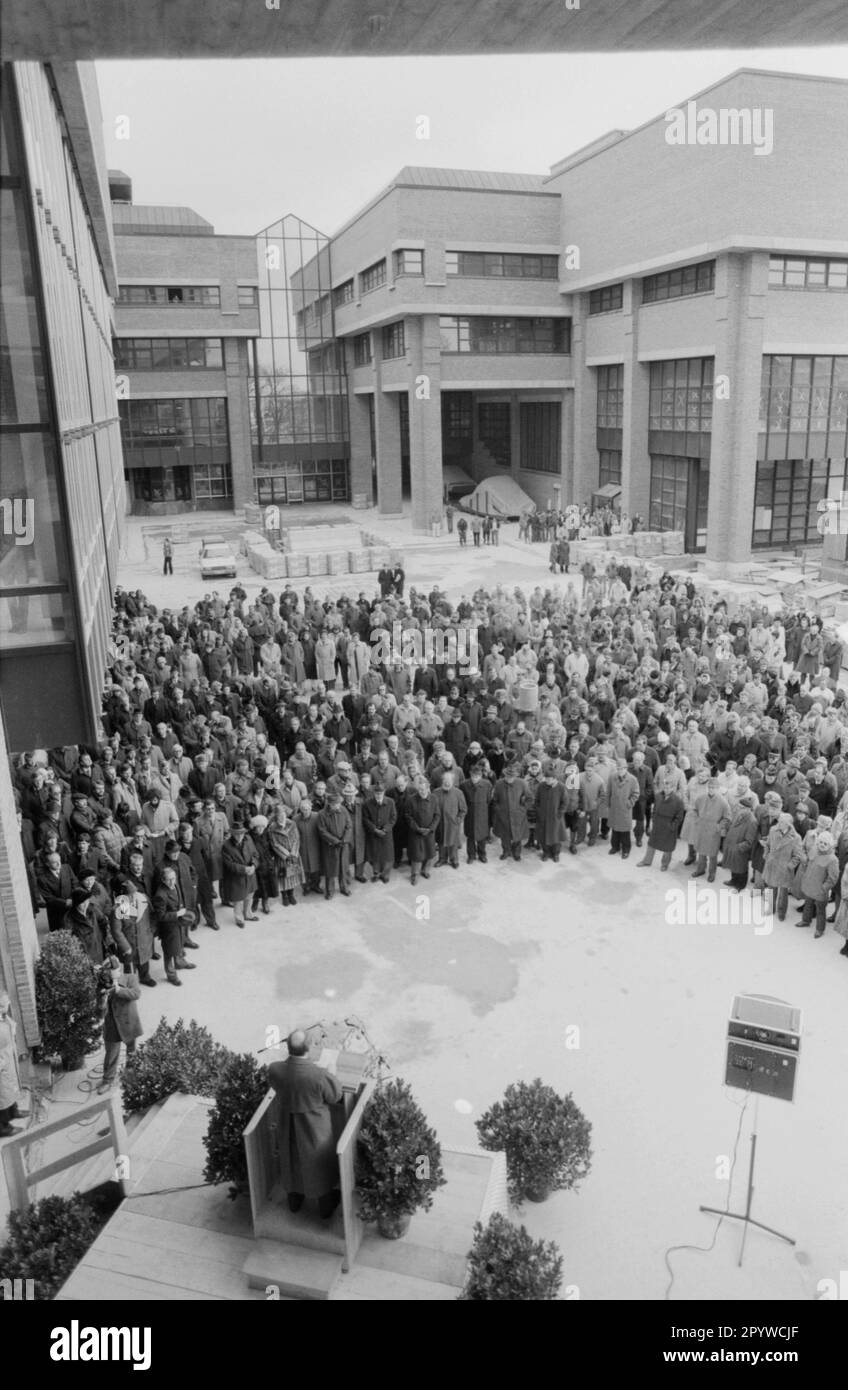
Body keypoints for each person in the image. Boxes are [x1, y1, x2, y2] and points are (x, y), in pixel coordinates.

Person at [267, 1029, 343, 1218]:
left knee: (290, 1160)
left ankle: (294, 1201)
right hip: (314, 1129)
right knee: (318, 1164)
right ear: (309, 1047)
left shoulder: (275, 1069)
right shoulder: (319, 1076)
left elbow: (278, 1082)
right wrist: (330, 1073)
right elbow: (335, 1096)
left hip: (287, 1126)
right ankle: (325, 1207)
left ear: (288, 1047)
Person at [98, 956, 143, 1092]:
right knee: (111, 1054)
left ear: (119, 970)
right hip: (112, 1025)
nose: (112, 977)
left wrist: (118, 990)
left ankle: (130, 1077)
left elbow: (136, 994)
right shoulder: (102, 984)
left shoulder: (131, 978)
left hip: (129, 1022)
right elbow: (99, 1010)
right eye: (109, 975)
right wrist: (102, 1000)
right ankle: (107, 1080)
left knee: (132, 1052)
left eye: (115, 972)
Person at [0, 992, 25, 1137]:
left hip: (8, 1057)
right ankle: (3, 1127)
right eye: (3, 1004)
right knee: (2, 1095)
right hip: (2, 1062)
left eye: (6, 1002)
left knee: (11, 1088)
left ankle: (13, 1112)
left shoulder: (4, 1017)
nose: (6, 1005)